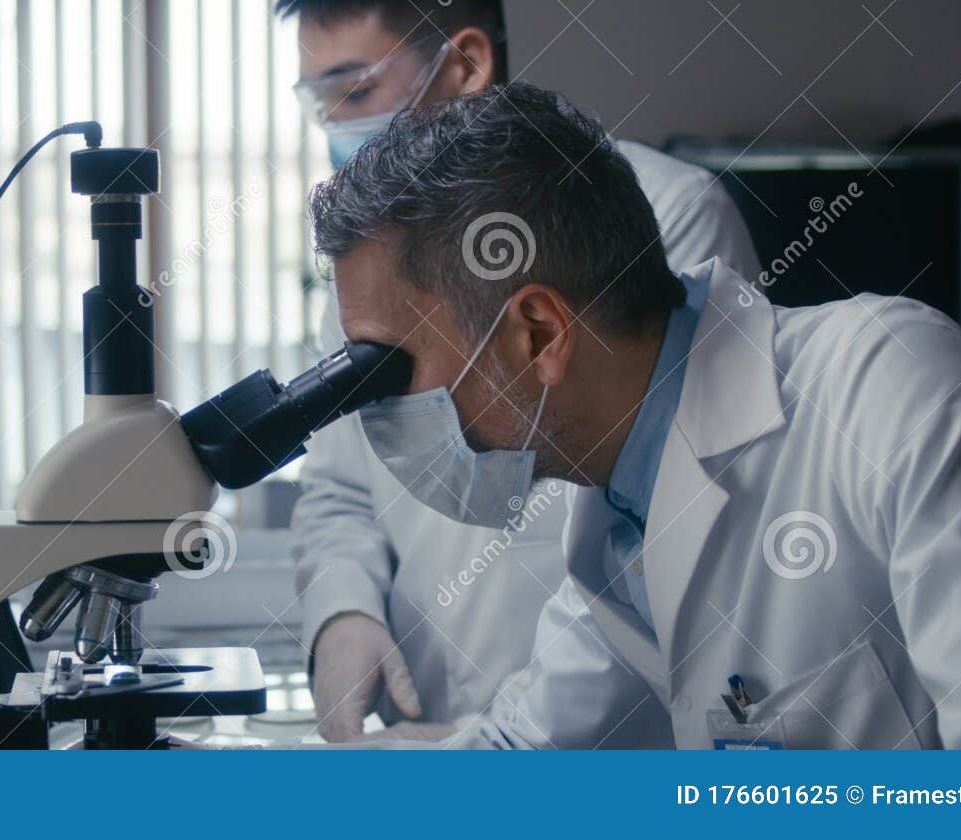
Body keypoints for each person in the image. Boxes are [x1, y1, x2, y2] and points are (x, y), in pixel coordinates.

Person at [309, 81, 961, 749]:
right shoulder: (617, 510)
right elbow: (516, 753)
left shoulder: (889, 384)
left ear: (537, 336)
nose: (376, 412)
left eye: (386, 367)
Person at [277, 0, 761, 742]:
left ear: (465, 65)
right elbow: (341, 487)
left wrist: (501, 743)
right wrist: (343, 616)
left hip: (605, 744)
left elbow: (659, 516)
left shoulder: (664, 214)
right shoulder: (366, 272)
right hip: (434, 713)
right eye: (321, 105)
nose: (339, 129)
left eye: (356, 92)